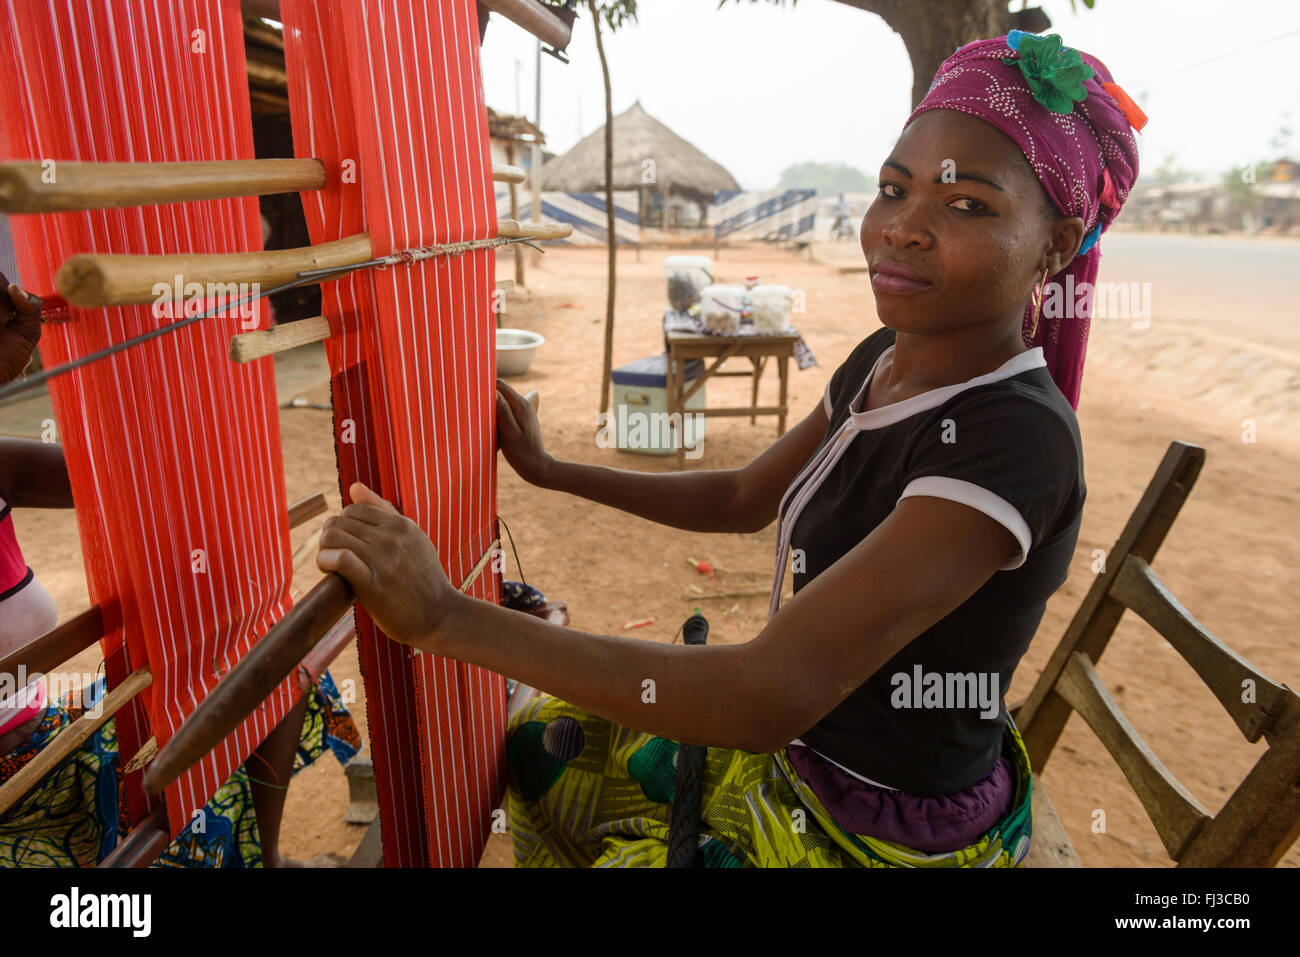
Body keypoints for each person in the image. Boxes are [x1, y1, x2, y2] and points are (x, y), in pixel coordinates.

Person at [316, 31, 1146, 867]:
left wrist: (444, 617)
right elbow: (745, 496)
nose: (903, 228)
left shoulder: (1017, 441)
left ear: (1056, 244)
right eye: (894, 189)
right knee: (540, 745)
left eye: (967, 204)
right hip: (801, 754)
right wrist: (553, 470)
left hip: (876, 824)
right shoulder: (880, 361)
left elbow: (763, 695)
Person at [0, 271, 361, 867]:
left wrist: (176, 355)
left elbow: (134, 474)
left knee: (264, 653)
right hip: (14, 803)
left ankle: (264, 858)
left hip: (51, 749)